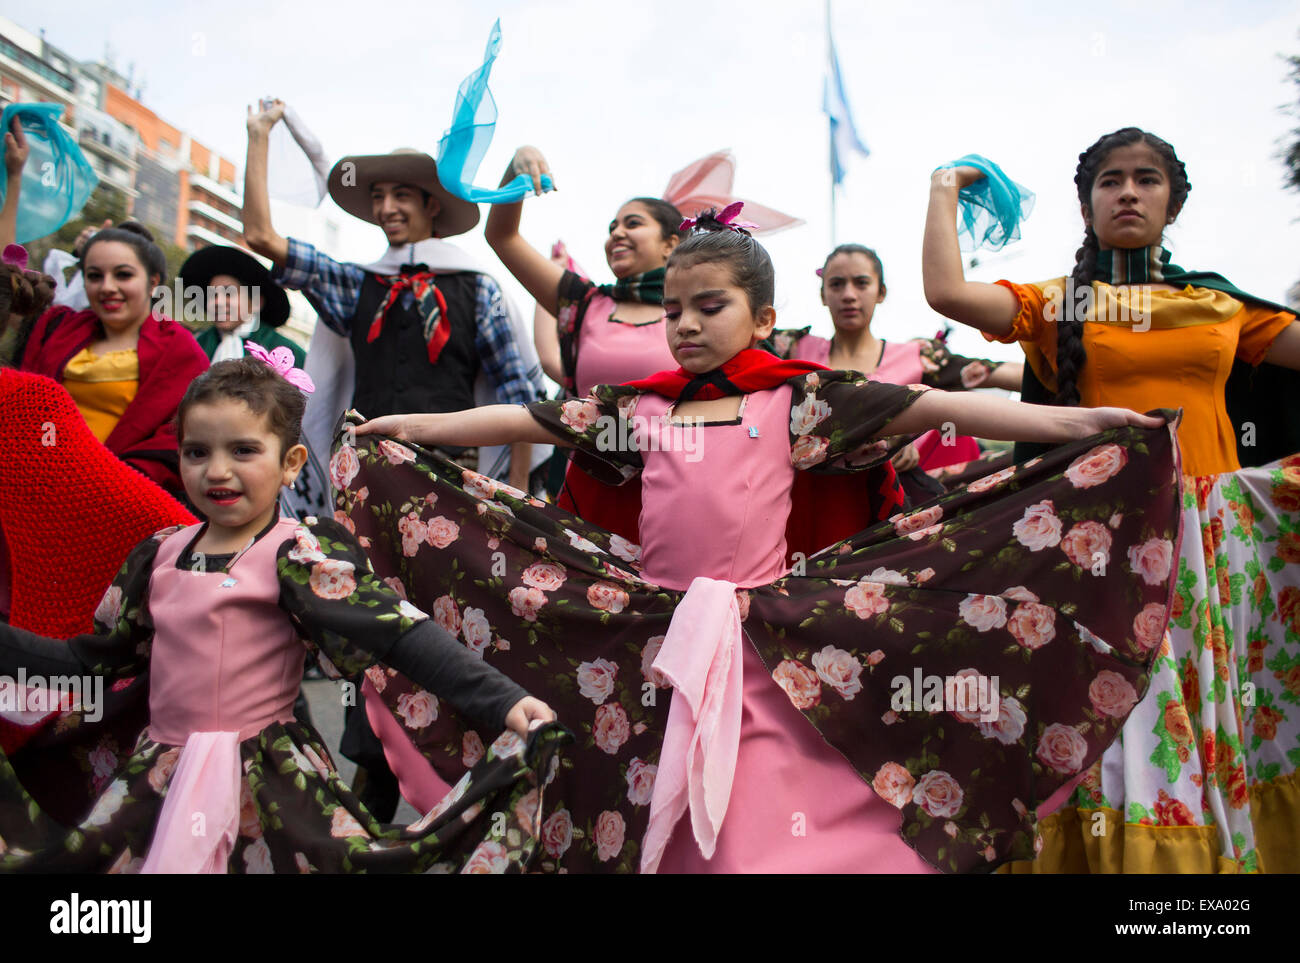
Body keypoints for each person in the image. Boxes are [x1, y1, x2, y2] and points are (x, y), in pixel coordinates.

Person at [342, 208, 1182, 873]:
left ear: (765, 315)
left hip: (756, 647)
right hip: (654, 642)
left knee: (755, 826)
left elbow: (942, 409)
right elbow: (520, 415)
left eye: (711, 307)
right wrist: (404, 427)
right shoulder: (641, 410)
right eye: (673, 310)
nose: (686, 325)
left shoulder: (798, 401)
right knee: (654, 819)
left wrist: (1078, 422)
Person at [0, 350, 561, 873]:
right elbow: (96, 661)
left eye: (243, 451)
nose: (217, 470)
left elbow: (400, 634)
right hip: (161, 777)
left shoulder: (299, 554)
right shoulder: (159, 554)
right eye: (198, 452)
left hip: (264, 782)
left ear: (291, 463)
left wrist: (504, 702)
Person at [922, 127, 1300, 873]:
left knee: (1202, 699)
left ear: (1173, 200)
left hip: (1208, 540)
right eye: (1112, 180)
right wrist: (943, 187)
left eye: (1147, 179)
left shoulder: (1219, 305)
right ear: (1087, 202)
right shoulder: (1055, 303)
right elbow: (947, 294)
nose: (1129, 191)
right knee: (1122, 710)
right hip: (1097, 547)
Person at [486, 145, 686, 541]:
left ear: (671, 244)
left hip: (681, 486)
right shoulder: (585, 302)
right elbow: (501, 236)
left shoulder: (699, 311)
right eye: (612, 227)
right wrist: (515, 169)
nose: (617, 234)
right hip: (587, 490)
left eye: (633, 224)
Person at [4, 114, 209, 498]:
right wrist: (15, 178)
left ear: (153, 282)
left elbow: (180, 442)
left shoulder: (180, 351)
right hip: (29, 489)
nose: (107, 287)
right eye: (94, 275)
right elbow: (5, 273)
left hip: (117, 501)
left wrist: (102, 479)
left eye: (123, 275)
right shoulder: (57, 326)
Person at [770, 243, 1026, 534]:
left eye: (862, 283)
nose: (849, 295)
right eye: (837, 284)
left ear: (881, 293)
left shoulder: (918, 357)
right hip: (813, 506)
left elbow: (994, 372)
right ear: (823, 295)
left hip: (896, 514)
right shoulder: (791, 350)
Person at [179, 244, 305, 367]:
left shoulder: (287, 355)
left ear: (257, 302)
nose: (217, 302)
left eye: (228, 293)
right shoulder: (197, 346)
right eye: (213, 295)